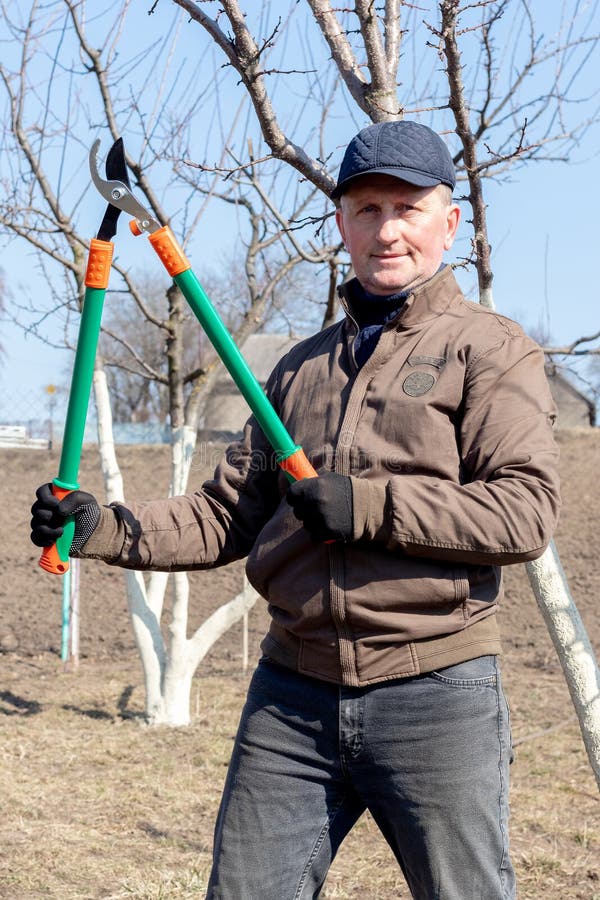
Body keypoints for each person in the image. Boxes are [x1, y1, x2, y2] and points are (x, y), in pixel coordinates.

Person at [31, 120, 560, 900]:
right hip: (293, 695)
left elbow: (524, 511)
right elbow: (224, 516)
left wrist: (372, 506)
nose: (388, 230)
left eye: (409, 209)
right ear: (342, 224)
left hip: (434, 690)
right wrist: (105, 526)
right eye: (368, 209)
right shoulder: (297, 368)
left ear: (450, 222)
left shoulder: (490, 349)